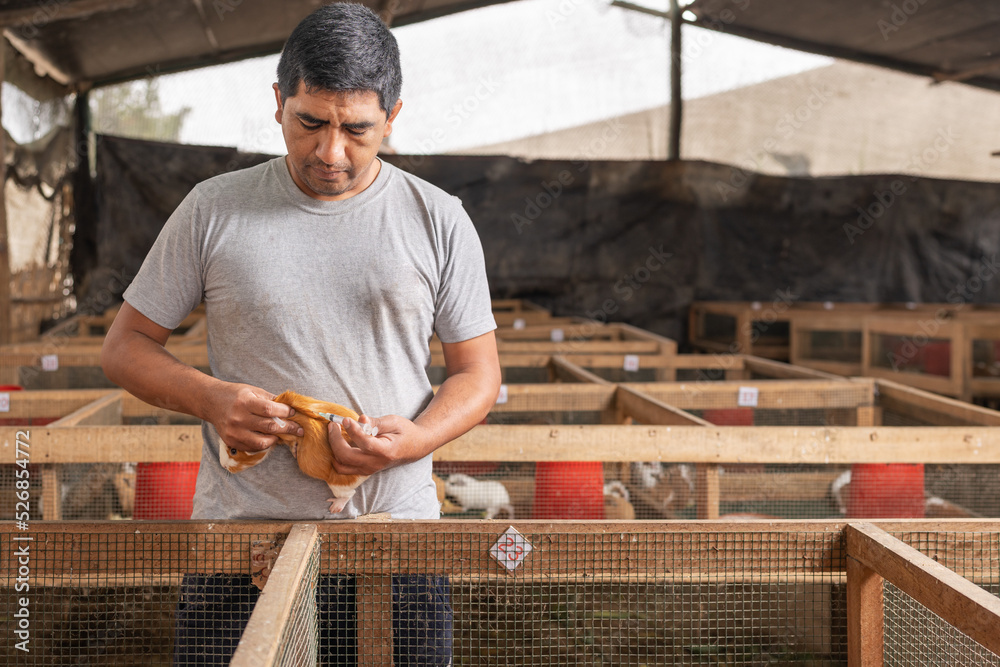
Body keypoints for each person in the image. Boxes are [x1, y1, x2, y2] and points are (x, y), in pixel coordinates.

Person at [101, 4, 501, 665]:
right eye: (310, 121)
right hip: (243, 542)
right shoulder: (213, 209)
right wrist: (210, 399)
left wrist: (417, 437)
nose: (330, 151)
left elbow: (477, 373)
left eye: (358, 130)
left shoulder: (439, 219)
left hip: (393, 539)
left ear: (393, 118)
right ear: (278, 101)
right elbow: (126, 346)